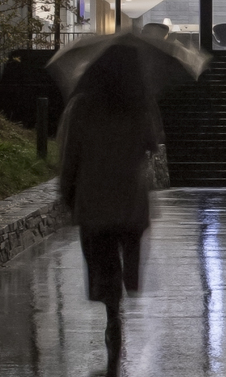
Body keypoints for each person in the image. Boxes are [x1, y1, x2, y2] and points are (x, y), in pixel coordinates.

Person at [57, 36, 164, 354]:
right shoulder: (138, 104)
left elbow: (70, 156)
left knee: (101, 258)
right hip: (130, 198)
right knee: (125, 251)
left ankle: (112, 311)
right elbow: (152, 145)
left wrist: (67, 192)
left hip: (95, 196)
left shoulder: (82, 106)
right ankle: (121, 295)